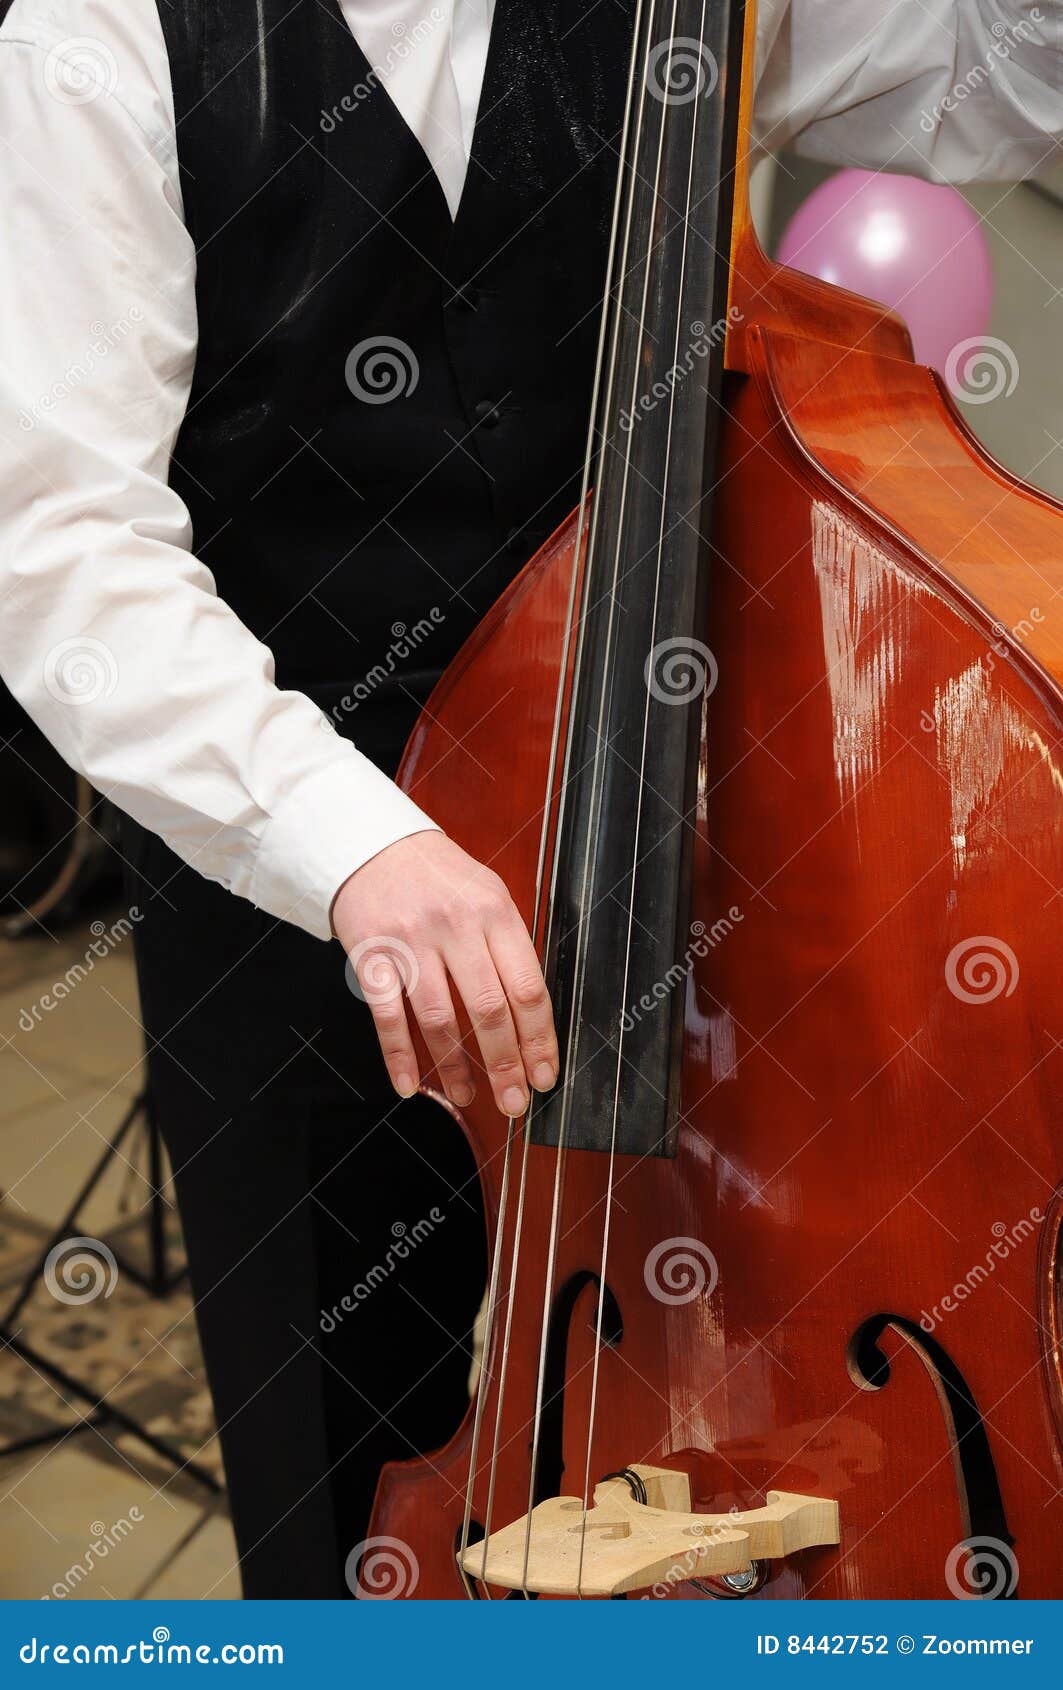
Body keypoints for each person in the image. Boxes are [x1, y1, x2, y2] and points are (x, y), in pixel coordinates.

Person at [0, 0, 1060, 1599]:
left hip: (698, 894)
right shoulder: (96, 32)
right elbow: (59, 540)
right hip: (299, 929)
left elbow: (1001, 85)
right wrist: (356, 846)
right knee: (351, 1533)